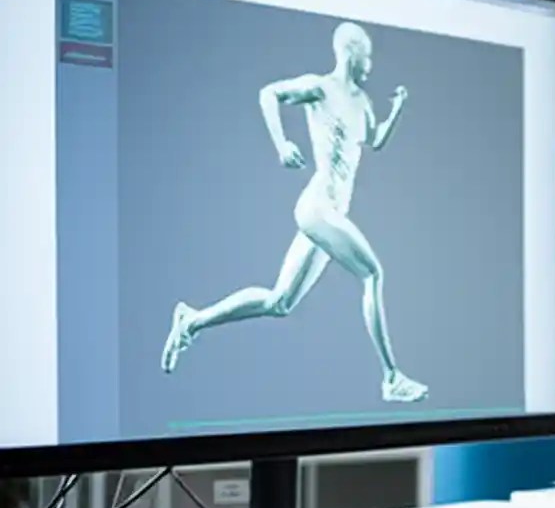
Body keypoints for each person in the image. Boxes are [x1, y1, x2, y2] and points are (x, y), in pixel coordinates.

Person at [161, 21, 430, 404]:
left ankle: (192, 321)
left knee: (280, 302)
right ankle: (391, 377)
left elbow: (375, 141)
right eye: (367, 52)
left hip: (334, 210)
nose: (371, 61)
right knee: (372, 274)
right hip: (317, 205)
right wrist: (281, 143)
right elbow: (269, 93)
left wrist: (398, 110)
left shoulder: (364, 104)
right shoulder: (321, 88)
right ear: (351, 52)